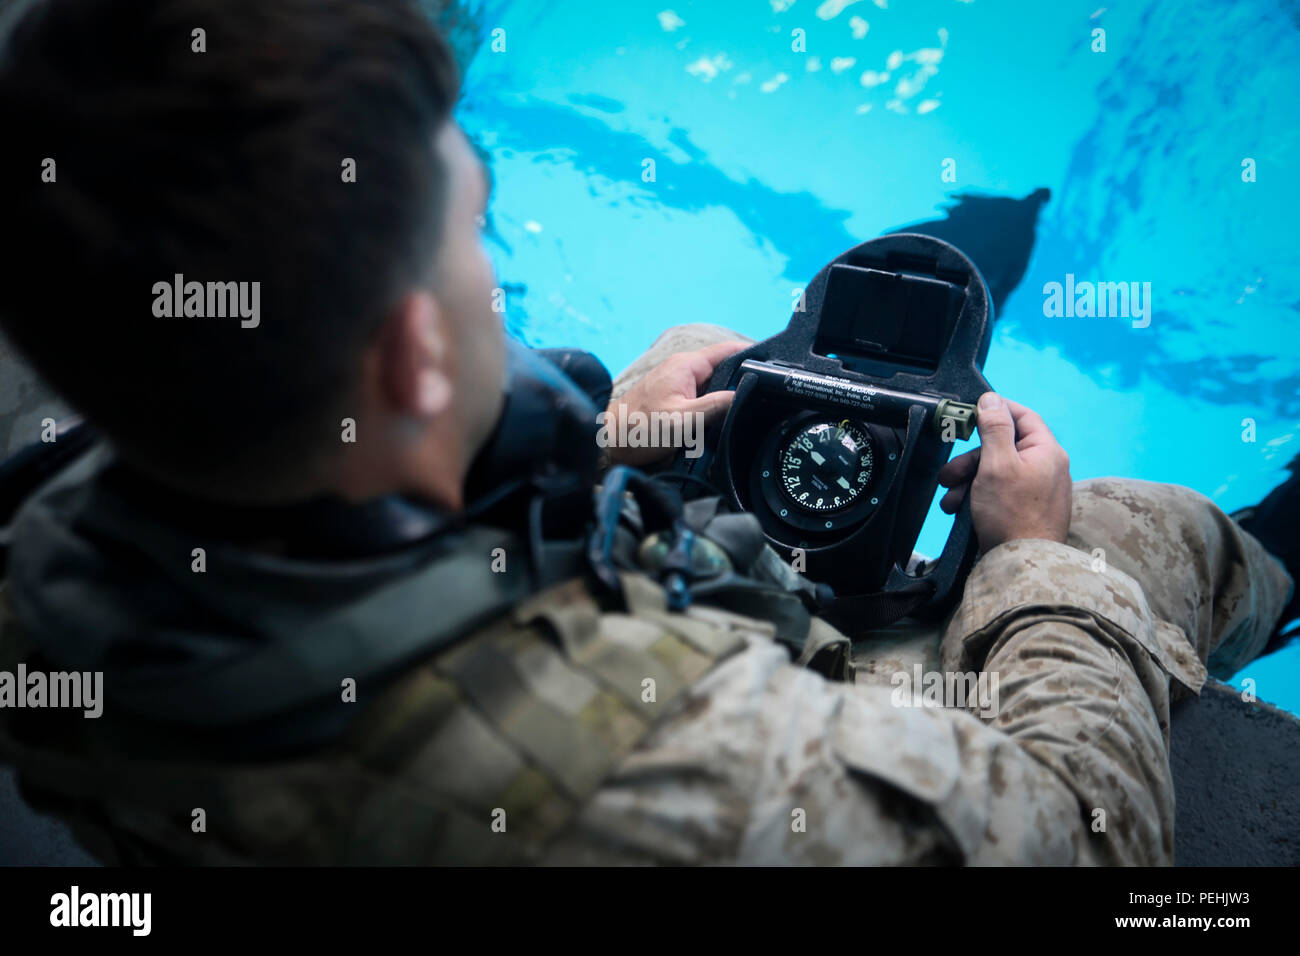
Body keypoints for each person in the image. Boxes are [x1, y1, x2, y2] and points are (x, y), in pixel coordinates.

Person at [0, 0, 1292, 866]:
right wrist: (1029, 564)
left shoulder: (45, 541)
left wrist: (609, 443)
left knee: (743, 369)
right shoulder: (673, 781)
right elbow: (1088, 838)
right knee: (1132, 533)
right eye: (469, 250)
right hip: (686, 707)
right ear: (413, 359)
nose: (496, 299)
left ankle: (959, 267)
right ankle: (1276, 566)